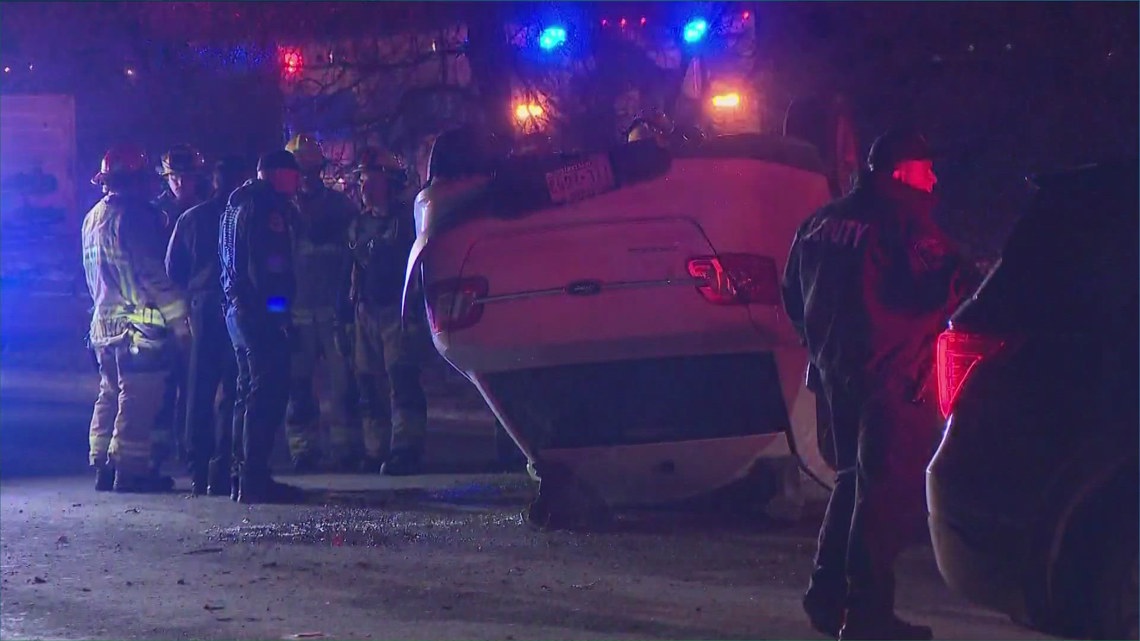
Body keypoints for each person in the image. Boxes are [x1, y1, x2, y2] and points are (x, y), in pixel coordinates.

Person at [782, 128, 981, 640]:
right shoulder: (904, 221)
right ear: (901, 172)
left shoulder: (819, 223)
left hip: (833, 375)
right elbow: (937, 286)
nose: (934, 177)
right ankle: (868, 617)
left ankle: (826, 598)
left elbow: (791, 296)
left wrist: (824, 346)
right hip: (892, 376)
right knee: (883, 496)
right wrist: (969, 282)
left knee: (853, 482)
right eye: (925, 167)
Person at [83, 144, 191, 493]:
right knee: (137, 398)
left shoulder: (92, 218)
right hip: (137, 328)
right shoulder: (136, 217)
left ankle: (102, 464)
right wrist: (181, 321)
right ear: (137, 180)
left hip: (102, 326)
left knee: (109, 392)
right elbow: (152, 275)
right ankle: (130, 471)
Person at [219, 149, 304, 504]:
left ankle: (241, 475)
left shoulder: (234, 204)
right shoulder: (269, 207)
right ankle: (255, 476)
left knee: (245, 392)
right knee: (266, 394)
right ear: (278, 174)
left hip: (236, 313)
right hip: (259, 316)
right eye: (293, 176)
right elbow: (271, 270)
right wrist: (279, 313)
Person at [166, 155, 252, 496]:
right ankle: (225, 466)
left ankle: (197, 467)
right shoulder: (245, 217)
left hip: (202, 309)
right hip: (236, 307)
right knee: (234, 389)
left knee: (198, 388)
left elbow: (173, 268)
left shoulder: (191, 219)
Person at [281, 134, 360, 472]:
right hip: (297, 314)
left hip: (333, 311)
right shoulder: (280, 210)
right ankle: (303, 450)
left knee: (343, 385)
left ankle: (345, 449)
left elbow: (354, 259)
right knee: (299, 388)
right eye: (301, 170)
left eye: (312, 170)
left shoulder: (341, 207)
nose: (307, 177)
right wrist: (277, 312)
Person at [348, 147, 428, 475]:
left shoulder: (407, 222)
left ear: (389, 182)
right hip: (366, 311)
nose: (365, 187)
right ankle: (374, 449)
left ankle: (406, 449)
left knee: (402, 379)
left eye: (371, 179)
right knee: (368, 384)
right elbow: (352, 269)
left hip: (399, 310)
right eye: (362, 180)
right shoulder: (358, 224)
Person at [152, 144, 209, 474]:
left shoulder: (206, 211)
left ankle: (190, 448)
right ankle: (158, 451)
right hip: (161, 310)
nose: (182, 183)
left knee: (194, 381)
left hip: (194, 307)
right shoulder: (154, 214)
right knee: (163, 382)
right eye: (176, 177)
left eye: (187, 177)